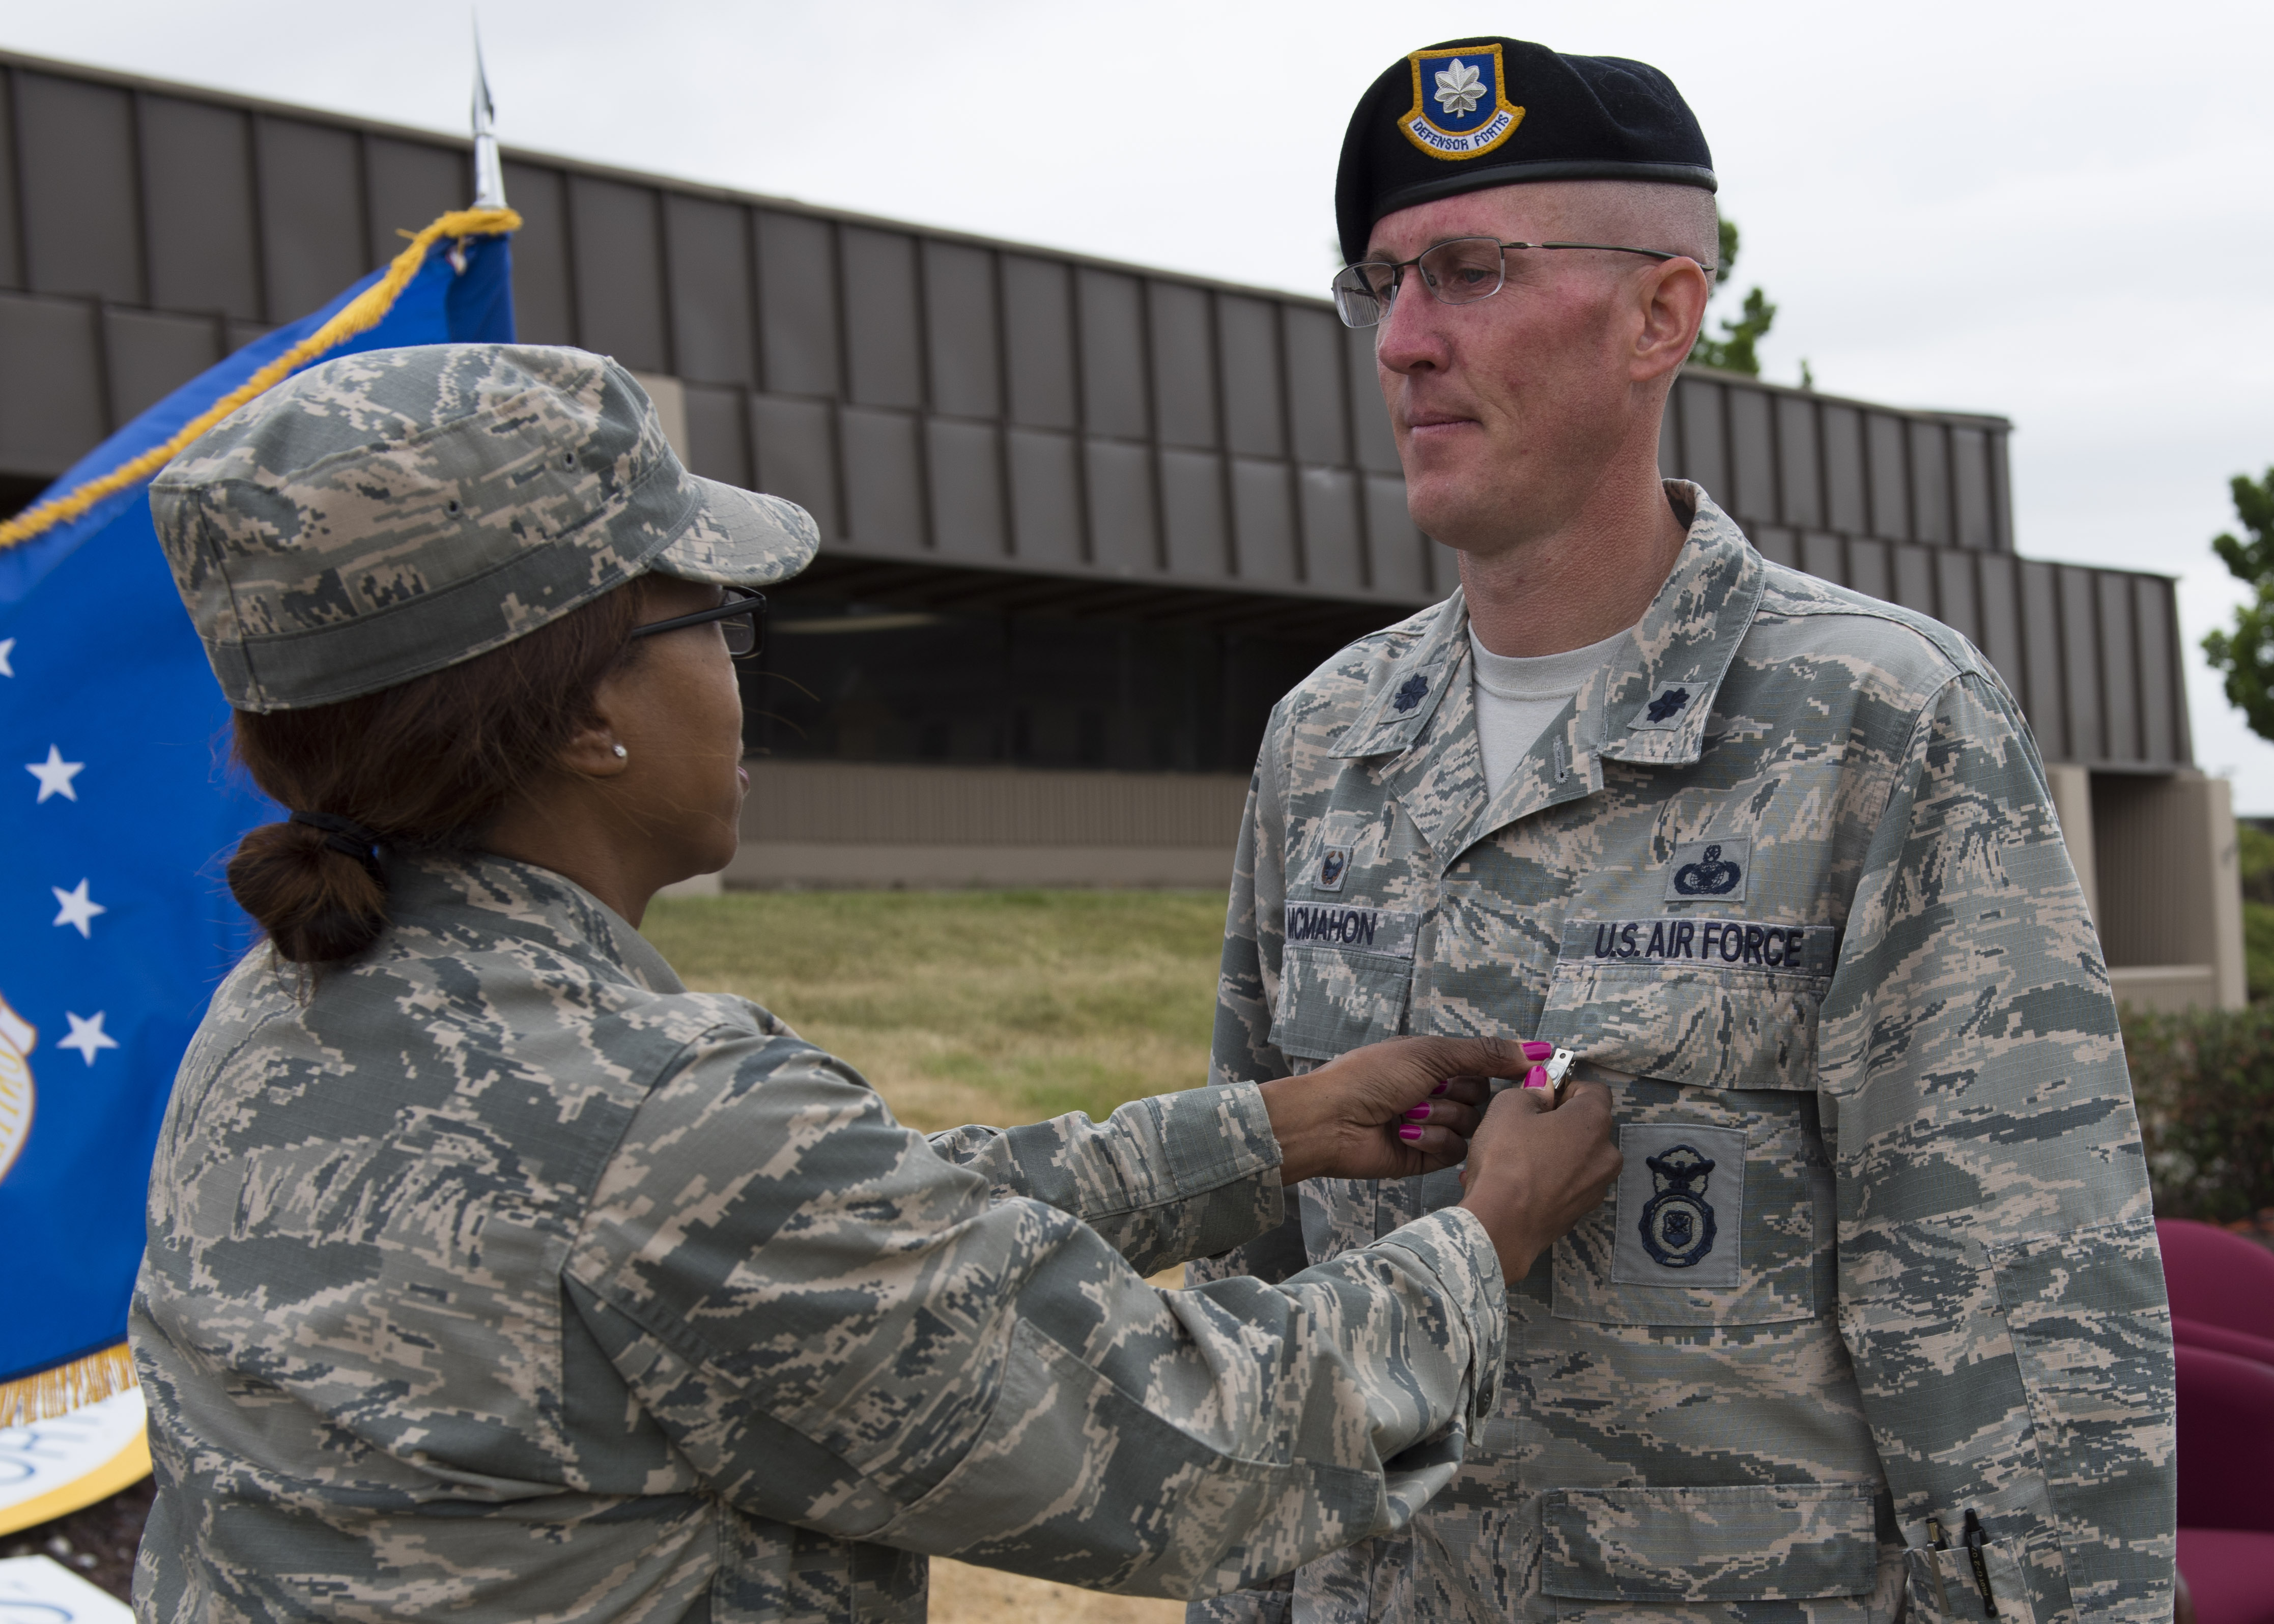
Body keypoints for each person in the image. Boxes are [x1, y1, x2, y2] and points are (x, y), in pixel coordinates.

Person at [127, 343, 1624, 1623]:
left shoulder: (277, 1016)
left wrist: (1274, 1134)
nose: (735, 663)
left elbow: (853, 1235)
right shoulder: (657, 1115)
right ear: (587, 712)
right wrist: (1485, 1235)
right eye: (707, 612)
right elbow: (1193, 1440)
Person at [1189, 36, 2173, 1624]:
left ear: (1661, 312)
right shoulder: (1328, 742)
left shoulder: (1880, 718)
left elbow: (2021, 1316)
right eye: (1379, 284)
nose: (1407, 342)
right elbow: (1250, 1232)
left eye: (1470, 270)